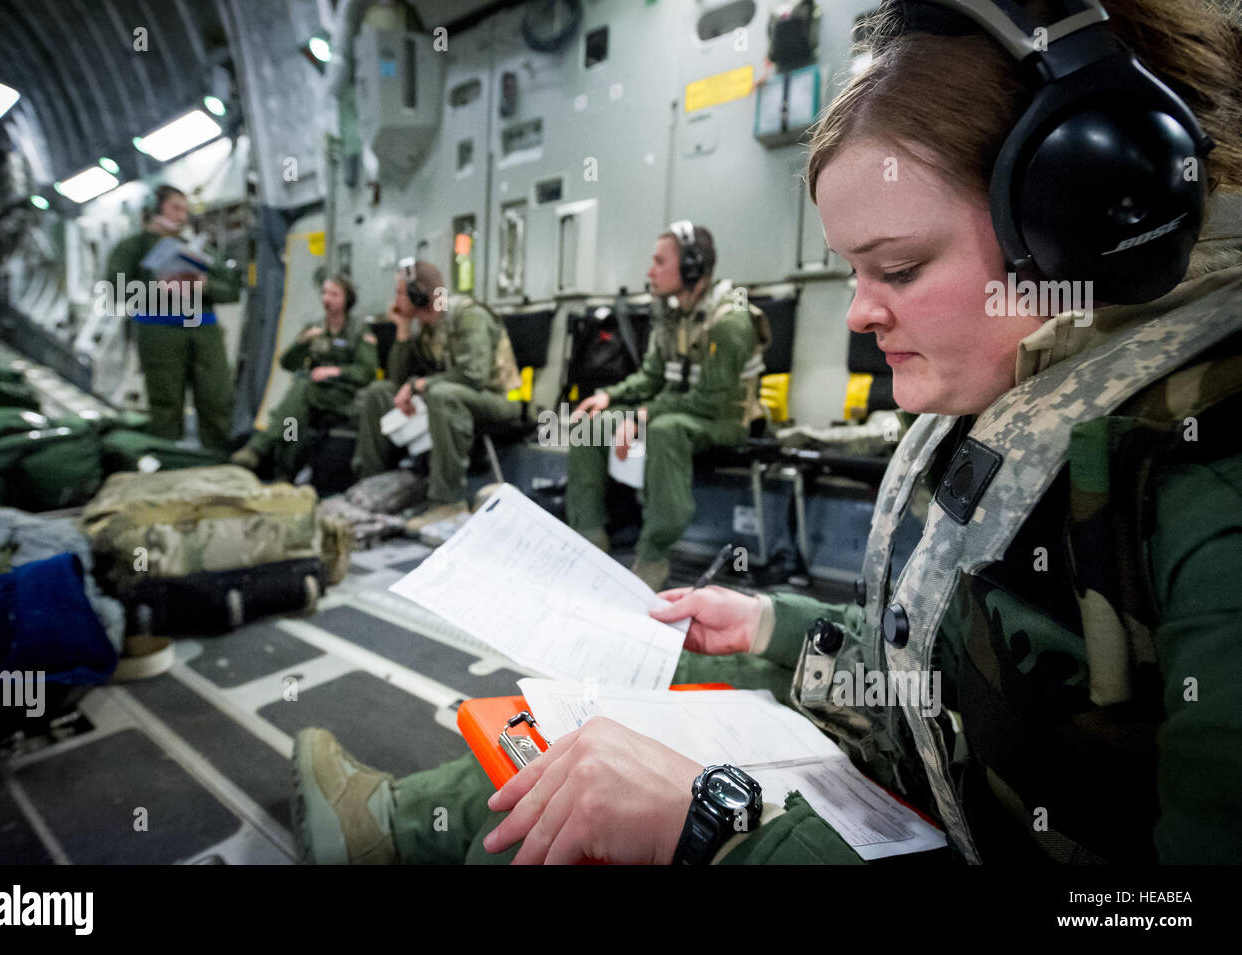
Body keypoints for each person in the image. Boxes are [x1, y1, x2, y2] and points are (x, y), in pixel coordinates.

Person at [291, 0, 1242, 865]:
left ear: (1077, 216)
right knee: (683, 672)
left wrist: (714, 830)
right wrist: (774, 623)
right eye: (854, 272)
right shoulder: (1008, 392)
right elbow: (931, 655)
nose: (859, 312)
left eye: (900, 269)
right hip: (921, 778)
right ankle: (401, 821)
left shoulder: (1205, 474)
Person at [565, 223, 770, 590]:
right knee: (590, 425)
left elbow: (710, 400)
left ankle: (653, 556)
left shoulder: (729, 321)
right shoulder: (673, 315)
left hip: (725, 418)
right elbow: (652, 377)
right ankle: (589, 538)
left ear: (691, 267)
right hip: (679, 408)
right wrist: (609, 396)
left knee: (664, 430)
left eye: (660, 262)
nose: (650, 271)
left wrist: (642, 416)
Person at [352, 259, 523, 529]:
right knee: (379, 392)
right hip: (455, 394)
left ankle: (448, 502)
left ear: (418, 295)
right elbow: (397, 379)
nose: (395, 300)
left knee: (442, 395)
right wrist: (403, 328)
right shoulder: (428, 327)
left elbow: (474, 375)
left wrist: (420, 386)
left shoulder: (468, 315)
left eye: (400, 293)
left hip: (501, 399)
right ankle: (372, 489)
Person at [104, 184, 240, 453]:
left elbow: (232, 289)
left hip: (203, 331)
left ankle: (218, 458)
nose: (182, 216)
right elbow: (116, 289)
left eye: (185, 210)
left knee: (217, 399)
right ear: (154, 209)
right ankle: (167, 459)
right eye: (175, 208)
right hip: (159, 332)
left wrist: (204, 286)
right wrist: (159, 288)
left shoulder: (199, 250)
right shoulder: (132, 247)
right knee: (166, 406)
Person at [231, 274, 377, 479]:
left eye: (334, 294)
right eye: (325, 293)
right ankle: (284, 475)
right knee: (294, 419)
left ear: (347, 299)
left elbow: (367, 371)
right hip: (313, 394)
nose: (327, 298)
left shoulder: (359, 330)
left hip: (343, 395)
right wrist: (302, 343)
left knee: (300, 393)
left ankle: (259, 448)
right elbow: (287, 364)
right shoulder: (315, 328)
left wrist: (335, 371)